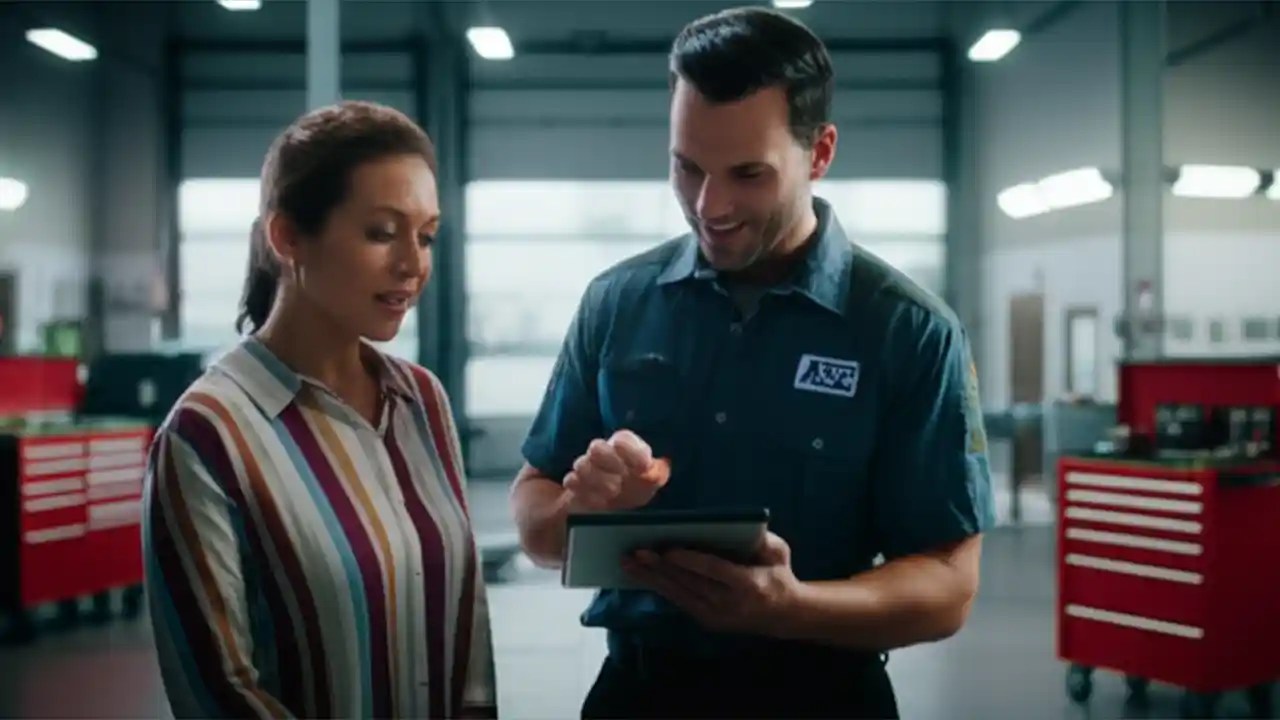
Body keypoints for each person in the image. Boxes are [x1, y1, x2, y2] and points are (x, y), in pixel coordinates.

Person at [510, 7, 995, 719]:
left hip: (822, 698)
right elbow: (536, 521)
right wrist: (576, 508)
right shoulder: (616, 304)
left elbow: (950, 585)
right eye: (687, 167)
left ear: (820, 152)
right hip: (637, 695)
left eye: (748, 174)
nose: (711, 206)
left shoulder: (907, 332)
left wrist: (793, 608)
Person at [142, 100, 497, 719]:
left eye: (426, 235)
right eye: (382, 233)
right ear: (288, 237)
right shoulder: (208, 434)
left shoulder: (423, 402)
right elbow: (220, 692)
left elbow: (466, 641)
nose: (413, 265)